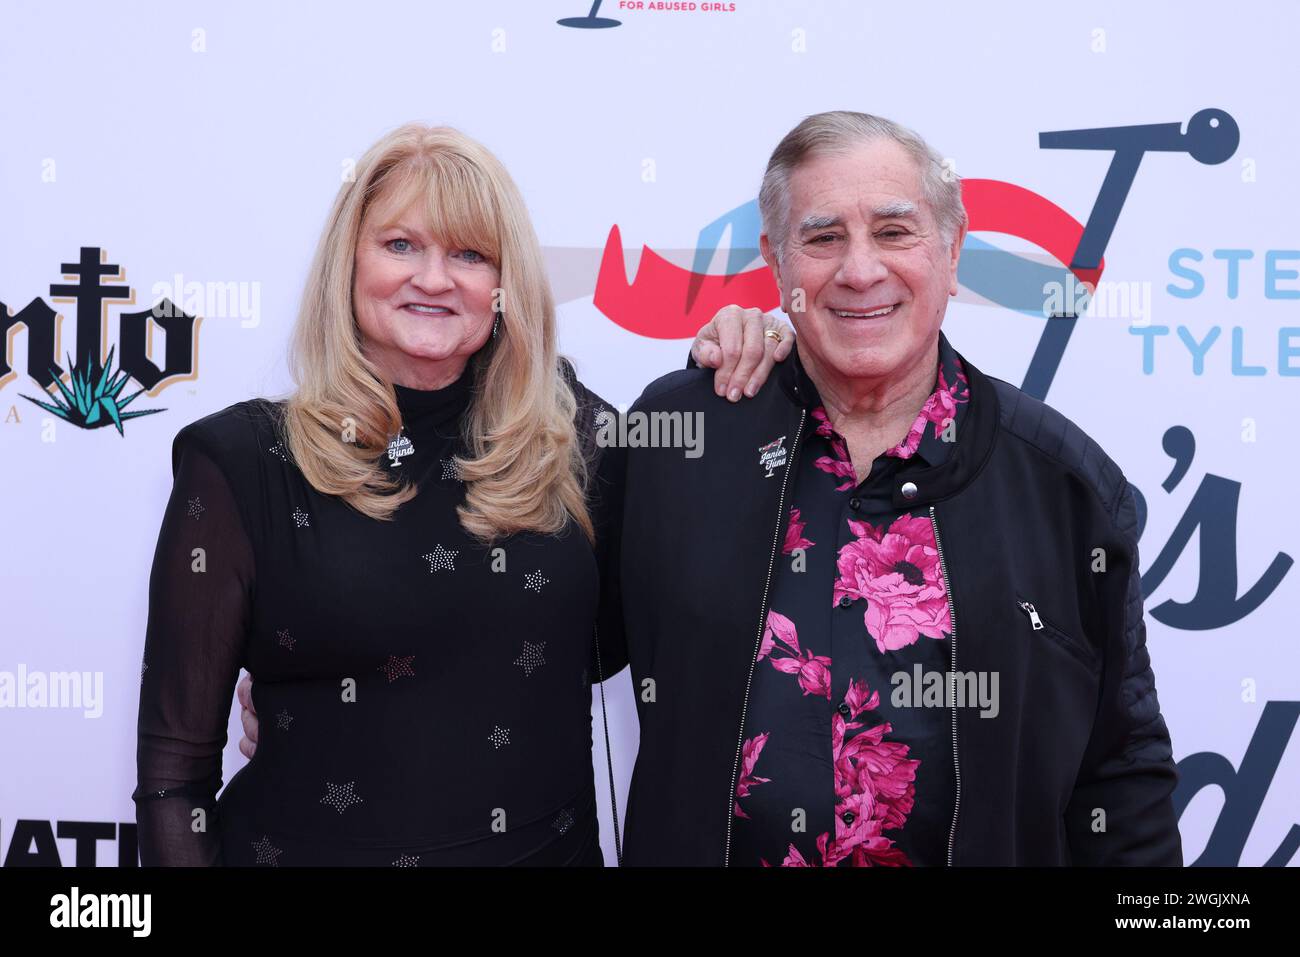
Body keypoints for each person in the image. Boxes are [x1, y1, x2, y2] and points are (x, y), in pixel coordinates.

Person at [132, 123, 789, 866]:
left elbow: (662, 600)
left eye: (470, 254)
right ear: (347, 264)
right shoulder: (240, 460)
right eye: (400, 245)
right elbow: (171, 781)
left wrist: (756, 344)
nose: (435, 278)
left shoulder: (573, 433)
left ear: (505, 286)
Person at [607, 111, 1183, 865]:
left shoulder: (1063, 485)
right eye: (822, 238)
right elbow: (533, 628)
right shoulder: (677, 441)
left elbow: (1122, 774)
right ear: (777, 264)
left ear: (951, 251)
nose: (859, 270)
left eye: (893, 231)